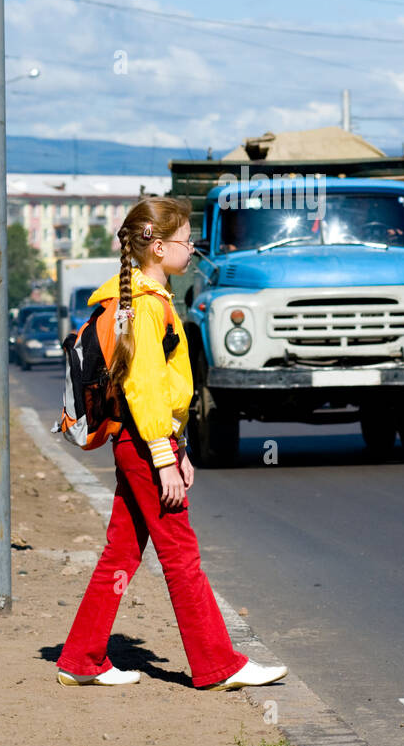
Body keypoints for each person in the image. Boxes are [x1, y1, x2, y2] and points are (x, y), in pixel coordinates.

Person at [56, 195, 288, 691]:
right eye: (186, 240)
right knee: (181, 557)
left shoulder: (143, 301)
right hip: (144, 445)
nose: (193, 247)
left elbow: (152, 389)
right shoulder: (144, 307)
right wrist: (165, 458)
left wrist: (173, 448)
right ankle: (218, 665)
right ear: (158, 248)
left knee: (120, 555)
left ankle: (80, 658)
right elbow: (143, 388)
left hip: (140, 442)